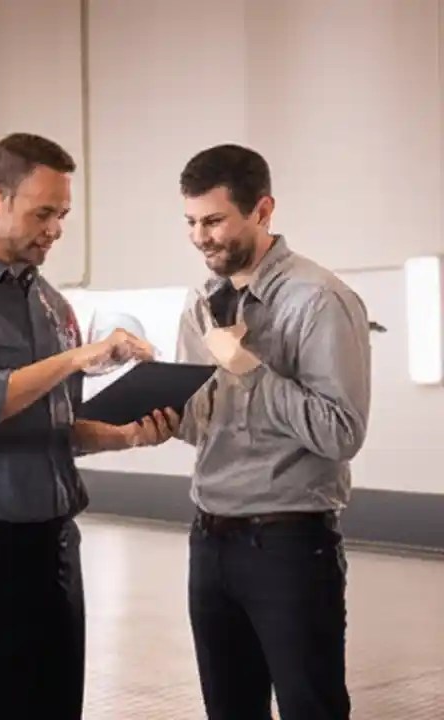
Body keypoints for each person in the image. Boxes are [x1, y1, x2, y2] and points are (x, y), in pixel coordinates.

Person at [0, 131, 181, 719]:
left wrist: (126, 435)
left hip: (54, 546)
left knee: (54, 705)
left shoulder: (53, 306)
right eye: (42, 212)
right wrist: (74, 359)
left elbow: (59, 425)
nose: (55, 229)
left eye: (63, 213)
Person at [173, 143, 372, 720]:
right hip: (208, 542)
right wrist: (152, 405)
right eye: (190, 222)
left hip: (288, 545)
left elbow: (342, 432)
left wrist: (250, 371)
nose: (200, 237)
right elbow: (198, 423)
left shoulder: (319, 300)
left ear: (262, 211)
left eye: (214, 220)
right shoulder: (201, 304)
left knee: (311, 708)